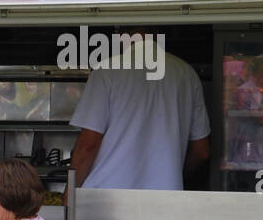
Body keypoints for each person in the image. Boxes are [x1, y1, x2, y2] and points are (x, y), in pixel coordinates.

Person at [68, 32, 210, 190]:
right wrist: (173, 174)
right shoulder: (187, 74)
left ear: (121, 35)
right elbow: (201, 151)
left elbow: (89, 144)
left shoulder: (107, 71)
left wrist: (70, 192)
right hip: (166, 197)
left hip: (108, 196)